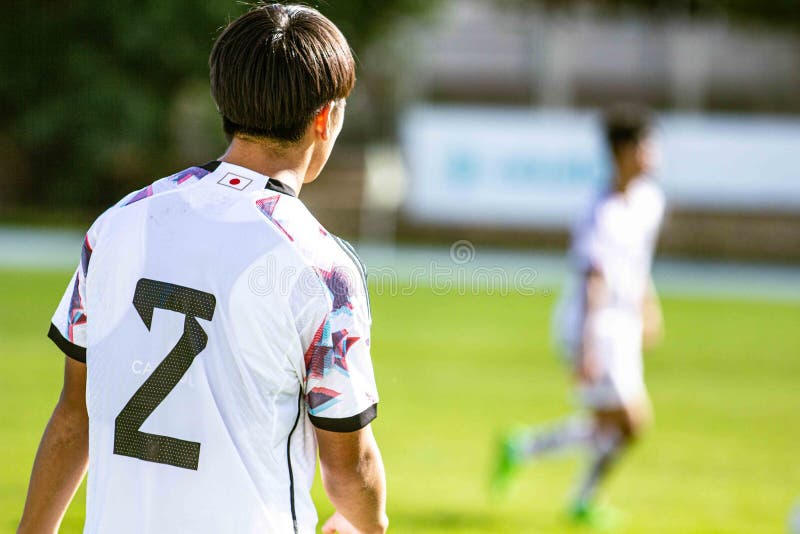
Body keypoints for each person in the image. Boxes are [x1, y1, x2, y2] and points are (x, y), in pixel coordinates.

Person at [18, 4, 387, 534]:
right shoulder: (321, 267)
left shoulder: (120, 223)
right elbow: (348, 467)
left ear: (224, 99)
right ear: (326, 117)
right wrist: (369, 524)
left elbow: (73, 416)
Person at [493, 104, 666, 527]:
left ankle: (529, 451)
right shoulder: (598, 211)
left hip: (622, 325)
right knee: (631, 421)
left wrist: (649, 307)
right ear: (624, 151)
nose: (654, 153)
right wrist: (587, 348)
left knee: (614, 426)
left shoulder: (649, 202)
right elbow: (593, 280)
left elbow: (638, 264)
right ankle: (576, 493)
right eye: (646, 144)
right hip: (595, 326)